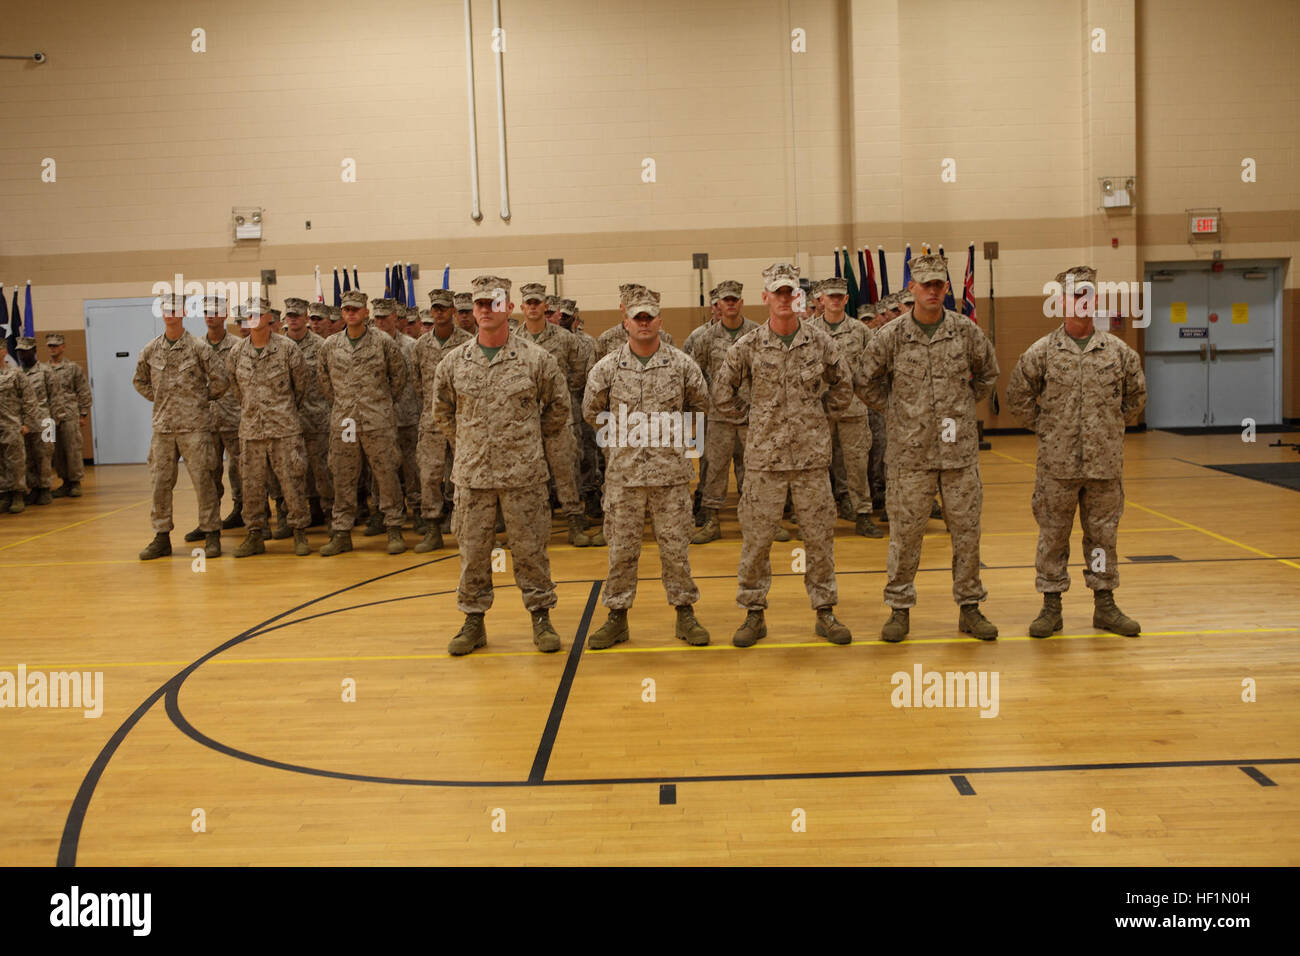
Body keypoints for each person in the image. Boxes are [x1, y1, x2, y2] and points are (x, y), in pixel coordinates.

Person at [859, 254, 1000, 642]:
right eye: (926, 285)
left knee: (967, 533)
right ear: (912, 290)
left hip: (958, 457)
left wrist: (962, 403)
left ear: (947, 287)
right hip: (910, 456)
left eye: (939, 284)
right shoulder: (890, 337)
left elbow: (988, 373)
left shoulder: (965, 332)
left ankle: (970, 608)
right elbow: (865, 381)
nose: (934, 290)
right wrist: (897, 410)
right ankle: (899, 609)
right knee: (906, 535)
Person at [713, 263, 855, 647]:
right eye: (777, 292)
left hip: (811, 462)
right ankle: (753, 613)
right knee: (757, 540)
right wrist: (755, 424)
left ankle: (825, 611)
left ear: (800, 297)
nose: (784, 298)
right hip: (764, 464)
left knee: (819, 539)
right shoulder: (747, 346)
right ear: (765, 298)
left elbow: (844, 385)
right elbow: (723, 393)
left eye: (790, 291)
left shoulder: (822, 343)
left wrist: (820, 418)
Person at [432, 276, 571, 656]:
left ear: (507, 307)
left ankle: (541, 617)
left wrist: (527, 444)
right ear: (473, 310)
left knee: (531, 550)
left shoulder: (535, 359)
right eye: (479, 304)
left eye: (494, 303)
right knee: (474, 553)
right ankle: (473, 621)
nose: (486, 310)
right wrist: (467, 445)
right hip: (473, 477)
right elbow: (442, 411)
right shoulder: (453, 363)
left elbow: (558, 408)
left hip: (523, 475)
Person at [1006, 265, 1147, 637]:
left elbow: (1136, 398)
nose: (1081, 302)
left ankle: (1105, 604)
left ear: (1095, 300)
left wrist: (1111, 429)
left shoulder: (1118, 353)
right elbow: (1017, 396)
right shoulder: (1042, 352)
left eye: (1087, 295)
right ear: (1061, 302)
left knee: (1102, 537)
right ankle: (1051, 607)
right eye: (1073, 296)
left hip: (1104, 466)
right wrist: (1048, 428)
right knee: (1053, 536)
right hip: (1057, 468)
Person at [582, 286, 711, 648]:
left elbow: (700, 408)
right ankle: (617, 617)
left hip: (670, 478)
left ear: (659, 321)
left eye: (649, 317)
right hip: (624, 479)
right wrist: (621, 444)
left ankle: (685, 615)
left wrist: (683, 450)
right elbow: (591, 413)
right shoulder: (606, 368)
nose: (643, 322)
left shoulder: (682, 365)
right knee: (621, 550)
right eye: (636, 317)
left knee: (676, 550)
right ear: (625, 321)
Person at [133, 294, 228, 559]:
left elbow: (220, 381)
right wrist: (162, 399)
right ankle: (161, 537)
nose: (170, 313)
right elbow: (139, 381)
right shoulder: (151, 349)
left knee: (204, 480)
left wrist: (198, 399)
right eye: (166, 309)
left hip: (195, 427)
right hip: (163, 429)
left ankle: (211, 534)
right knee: (160, 483)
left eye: (175, 308)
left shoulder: (199, 348)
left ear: (184, 312)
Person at [316, 289, 409, 555]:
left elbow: (399, 377)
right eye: (347, 309)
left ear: (366, 312)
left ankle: (394, 527)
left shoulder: (383, 342)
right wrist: (344, 404)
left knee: (386, 473)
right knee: (343, 474)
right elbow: (325, 382)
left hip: (377, 420)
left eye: (356, 309)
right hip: (345, 422)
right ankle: (342, 532)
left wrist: (381, 404)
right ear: (342, 313)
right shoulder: (330, 345)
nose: (352, 313)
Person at [226, 297, 312, 556]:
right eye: (247, 315)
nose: (252, 318)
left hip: (284, 428)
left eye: (257, 314)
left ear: (268, 318)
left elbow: (301, 387)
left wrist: (281, 412)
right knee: (251, 484)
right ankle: (254, 534)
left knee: (292, 481)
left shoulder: (287, 349)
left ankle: (299, 532)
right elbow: (236, 389)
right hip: (251, 430)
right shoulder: (237, 352)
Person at [516, 281, 592, 547]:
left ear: (546, 306)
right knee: (528, 474)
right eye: (530, 303)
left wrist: (563, 395)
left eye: (539, 302)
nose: (534, 307)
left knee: (565, 469)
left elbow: (580, 371)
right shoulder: (513, 340)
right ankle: (535, 526)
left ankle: (574, 520)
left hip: (559, 417)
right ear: (522, 307)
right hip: (524, 420)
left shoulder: (564, 339)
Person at [813, 278, 883, 537]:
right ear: (821, 300)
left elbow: (872, 368)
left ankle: (863, 513)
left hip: (854, 408)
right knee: (818, 465)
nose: (834, 300)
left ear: (845, 300)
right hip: (821, 410)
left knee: (857, 464)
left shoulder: (860, 331)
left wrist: (865, 396)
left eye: (839, 296)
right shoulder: (809, 331)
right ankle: (818, 516)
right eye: (829, 296)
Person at [410, 288, 472, 552]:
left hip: (463, 420)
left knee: (465, 476)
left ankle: (467, 528)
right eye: (435, 308)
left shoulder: (469, 342)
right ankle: (433, 528)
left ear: (453, 312)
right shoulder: (421, 346)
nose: (438, 312)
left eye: (443, 308)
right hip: (431, 421)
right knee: (429, 476)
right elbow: (415, 382)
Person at [284, 297, 334, 527]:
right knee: (295, 469)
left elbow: (334, 380)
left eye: (298, 316)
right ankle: (308, 508)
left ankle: (330, 510)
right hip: (288, 420)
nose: (293, 320)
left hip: (318, 416)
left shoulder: (322, 346)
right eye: (290, 316)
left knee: (322, 468)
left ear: (306, 318)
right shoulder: (279, 346)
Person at [43, 333, 92, 498]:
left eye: (56, 346)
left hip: (70, 414)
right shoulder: (43, 370)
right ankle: (64, 482)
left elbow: (83, 391)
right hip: (49, 418)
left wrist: (83, 414)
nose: (53, 349)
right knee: (56, 452)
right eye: (50, 346)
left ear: (63, 347)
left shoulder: (73, 368)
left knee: (73, 449)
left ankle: (75, 482)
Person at [15, 337, 55, 505]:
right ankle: (34, 487)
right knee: (29, 456)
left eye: (26, 351)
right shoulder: (16, 373)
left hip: (45, 420)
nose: (23, 354)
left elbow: (55, 396)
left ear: (34, 351)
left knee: (44, 454)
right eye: (20, 351)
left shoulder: (45, 371)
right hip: (24, 421)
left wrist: (56, 420)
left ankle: (45, 488)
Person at [0, 353, 39, 515]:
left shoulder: (15, 374)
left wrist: (28, 422)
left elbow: (29, 398)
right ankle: (5, 495)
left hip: (12, 424)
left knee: (15, 461)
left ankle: (17, 495)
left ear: (3, 352)